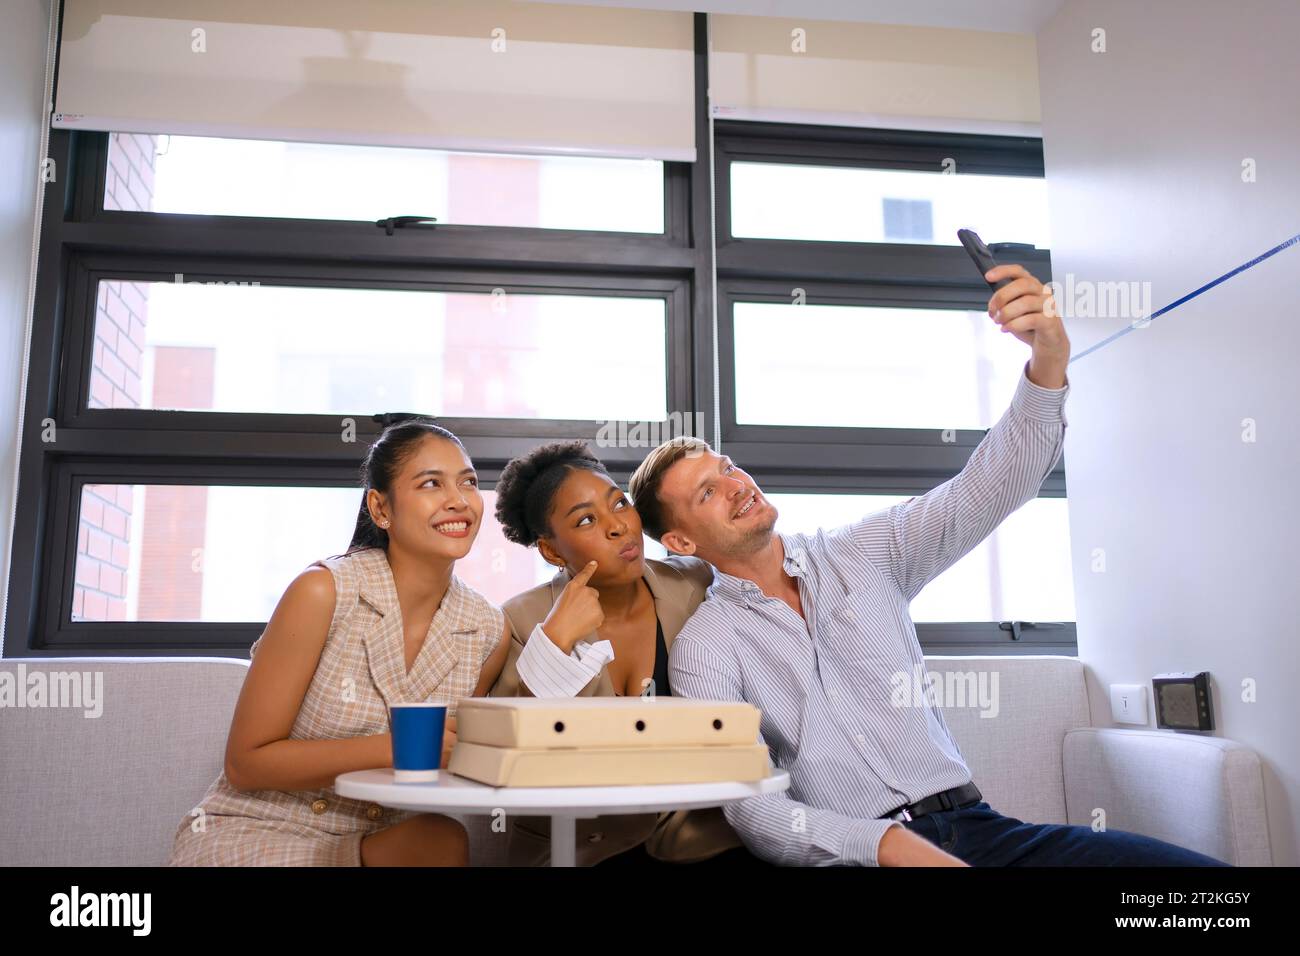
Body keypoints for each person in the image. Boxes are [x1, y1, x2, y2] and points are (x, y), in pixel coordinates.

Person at [631, 263, 1228, 867]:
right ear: (680, 542)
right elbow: (749, 807)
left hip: (981, 832)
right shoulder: (707, 644)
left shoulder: (862, 551)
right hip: (857, 857)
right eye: (706, 492)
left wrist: (1049, 357)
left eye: (727, 468)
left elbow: (987, 487)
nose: (734, 485)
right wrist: (884, 845)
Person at [168, 419, 510, 866]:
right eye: (431, 483)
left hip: (379, 838)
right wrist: (396, 748)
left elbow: (454, 761)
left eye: (468, 483)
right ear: (381, 509)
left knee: (441, 836)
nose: (458, 501)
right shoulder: (323, 592)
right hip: (263, 830)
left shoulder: (487, 629)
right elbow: (246, 764)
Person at [488, 440, 767, 867]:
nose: (617, 526)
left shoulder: (694, 584)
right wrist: (555, 645)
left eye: (619, 503)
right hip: (578, 846)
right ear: (551, 549)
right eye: (585, 520)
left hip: (697, 840)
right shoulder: (520, 621)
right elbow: (512, 757)